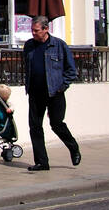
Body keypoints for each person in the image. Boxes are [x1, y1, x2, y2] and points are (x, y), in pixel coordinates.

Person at [23, 16, 81, 171]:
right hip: (35, 92)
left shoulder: (59, 45)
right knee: (35, 126)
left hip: (55, 92)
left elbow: (71, 70)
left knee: (56, 124)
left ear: (46, 29)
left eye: (36, 31)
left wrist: (62, 87)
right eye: (32, 30)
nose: (33, 34)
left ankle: (73, 147)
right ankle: (42, 162)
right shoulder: (29, 46)